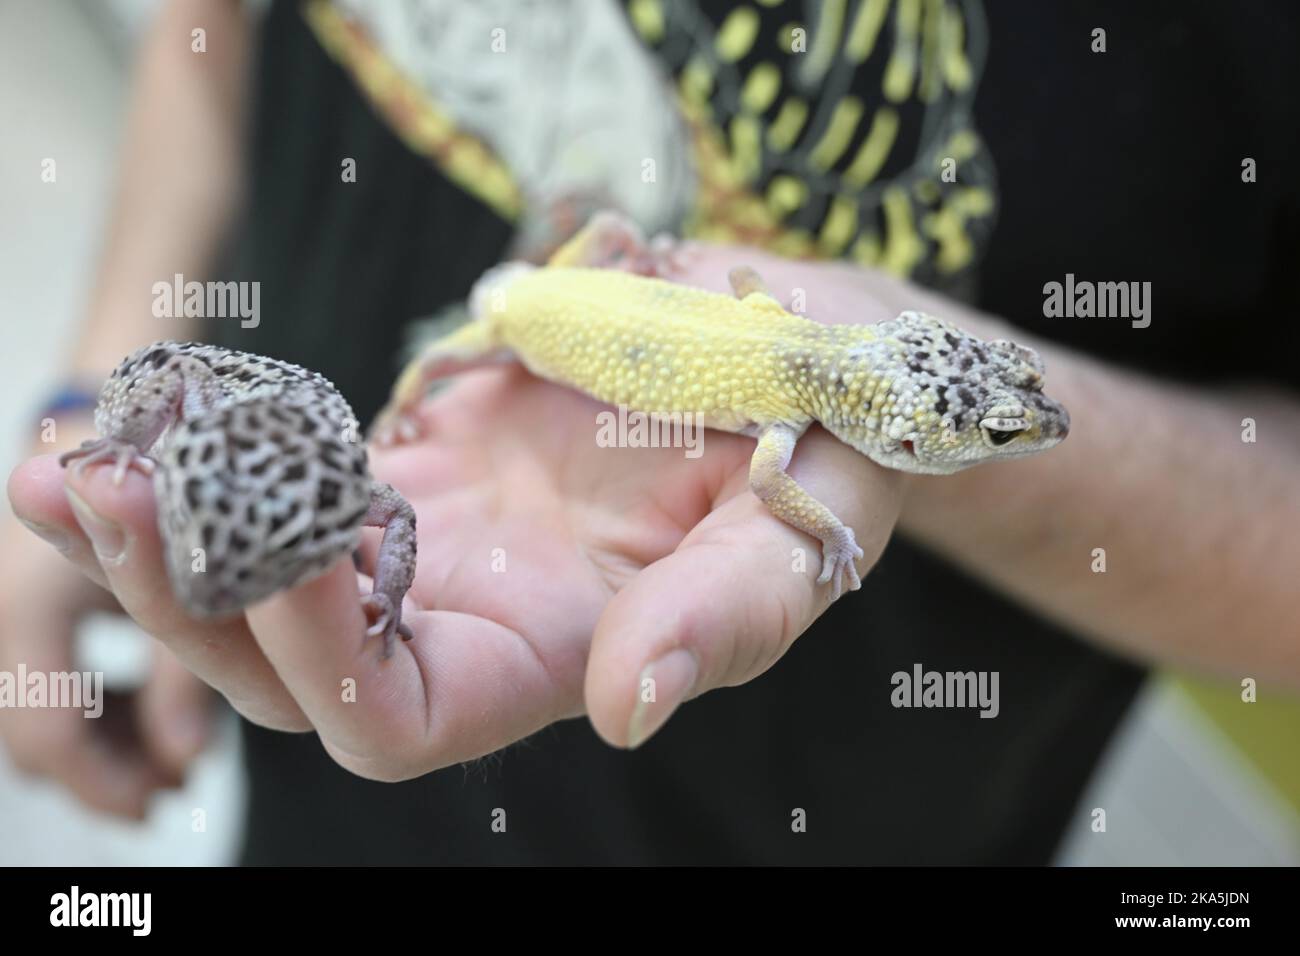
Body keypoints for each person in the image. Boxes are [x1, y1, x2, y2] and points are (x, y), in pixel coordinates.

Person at [2, 0, 1297, 864]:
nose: (1017, 431)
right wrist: (86, 389)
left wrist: (945, 475)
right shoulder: (786, 426)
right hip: (325, 695)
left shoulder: (794, 365)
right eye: (984, 427)